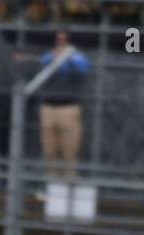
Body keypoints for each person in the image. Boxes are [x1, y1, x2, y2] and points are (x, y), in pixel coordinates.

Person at [37, 30, 90, 182]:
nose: (60, 42)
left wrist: (66, 59)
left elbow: (81, 73)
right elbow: (43, 72)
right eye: (58, 39)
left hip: (68, 107)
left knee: (70, 149)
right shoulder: (48, 57)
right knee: (49, 149)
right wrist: (55, 59)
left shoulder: (77, 58)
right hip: (49, 106)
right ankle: (51, 181)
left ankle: (70, 181)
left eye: (64, 39)